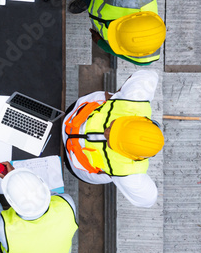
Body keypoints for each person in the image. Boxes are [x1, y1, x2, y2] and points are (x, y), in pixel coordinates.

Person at [62, 70, 163, 207]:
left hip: (73, 160)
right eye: (113, 126)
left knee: (116, 177)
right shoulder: (134, 102)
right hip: (73, 115)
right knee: (112, 177)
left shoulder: (129, 172)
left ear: (130, 156)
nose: (106, 133)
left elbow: (149, 200)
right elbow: (150, 74)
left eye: (111, 141)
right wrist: (118, 95)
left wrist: (124, 175)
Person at [56, 0, 165, 65]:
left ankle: (87, 2)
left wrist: (102, 44)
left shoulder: (143, 53)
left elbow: (121, 53)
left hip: (99, 14)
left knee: (88, 1)